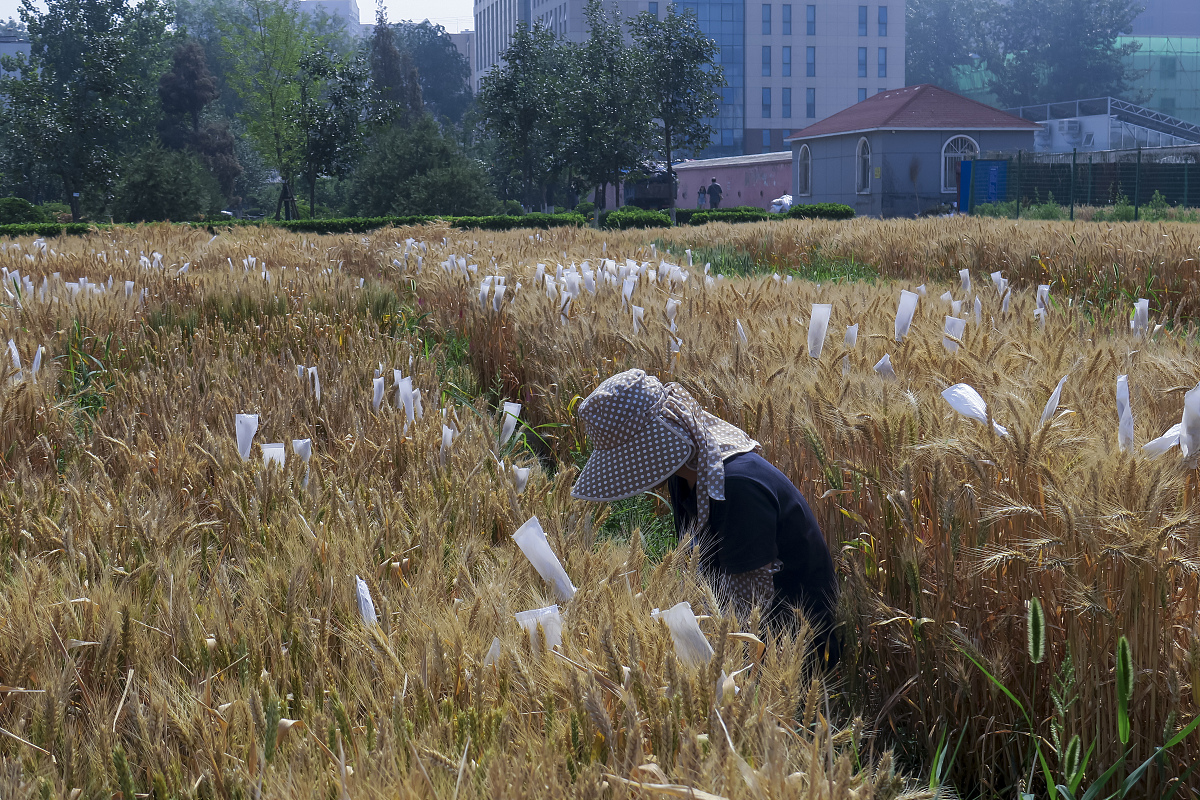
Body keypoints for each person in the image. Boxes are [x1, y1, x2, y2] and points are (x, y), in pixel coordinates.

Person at [571, 369, 840, 668]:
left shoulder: (737, 488)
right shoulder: (684, 474)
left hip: (793, 654)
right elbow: (701, 572)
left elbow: (749, 609)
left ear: (653, 447)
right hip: (742, 633)